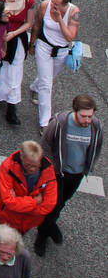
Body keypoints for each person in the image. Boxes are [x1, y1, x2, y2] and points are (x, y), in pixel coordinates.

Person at [38, 94, 103, 255]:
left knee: (62, 203)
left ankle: (49, 224)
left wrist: (89, 165)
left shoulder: (95, 126)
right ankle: (42, 235)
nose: (87, 120)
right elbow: (45, 145)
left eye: (90, 116)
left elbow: (97, 145)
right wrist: (51, 168)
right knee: (53, 206)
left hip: (77, 173)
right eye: (84, 116)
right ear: (75, 111)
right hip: (58, 173)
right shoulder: (60, 123)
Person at [29, 0, 80, 127]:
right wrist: (32, 44)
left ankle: (34, 86)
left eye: (56, 4)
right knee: (46, 84)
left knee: (48, 76)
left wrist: (59, 21)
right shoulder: (45, 6)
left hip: (61, 50)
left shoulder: (73, 12)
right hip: (44, 46)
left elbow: (70, 36)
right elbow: (37, 25)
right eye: (52, 1)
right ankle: (45, 122)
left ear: (65, 5)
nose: (52, 6)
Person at [0, 141, 58, 236]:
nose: (32, 169)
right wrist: (35, 201)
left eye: (35, 166)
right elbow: (8, 201)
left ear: (40, 160)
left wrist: (18, 203)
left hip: (26, 222)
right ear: (22, 157)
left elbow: (49, 205)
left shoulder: (48, 171)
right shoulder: (8, 167)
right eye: (28, 165)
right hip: (8, 219)